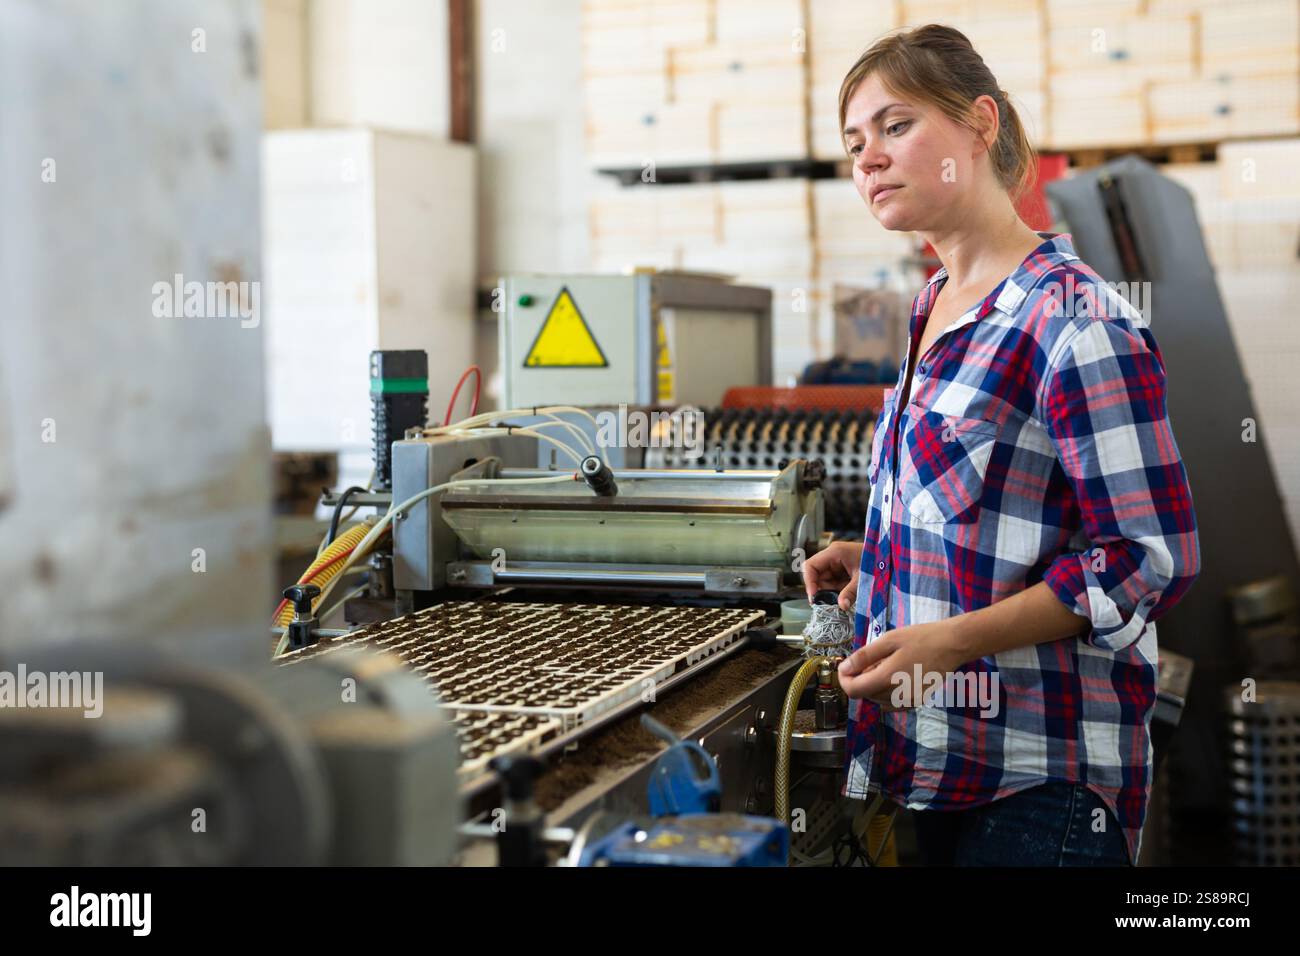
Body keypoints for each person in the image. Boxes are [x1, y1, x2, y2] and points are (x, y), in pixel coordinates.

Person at [801, 24, 1201, 867]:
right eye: (853, 142)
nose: (867, 158)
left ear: (980, 124)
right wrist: (878, 556)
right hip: (934, 762)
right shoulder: (935, 306)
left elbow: (1145, 559)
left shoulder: (1074, 320)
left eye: (896, 126)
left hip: (1038, 787)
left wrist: (952, 642)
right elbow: (994, 513)